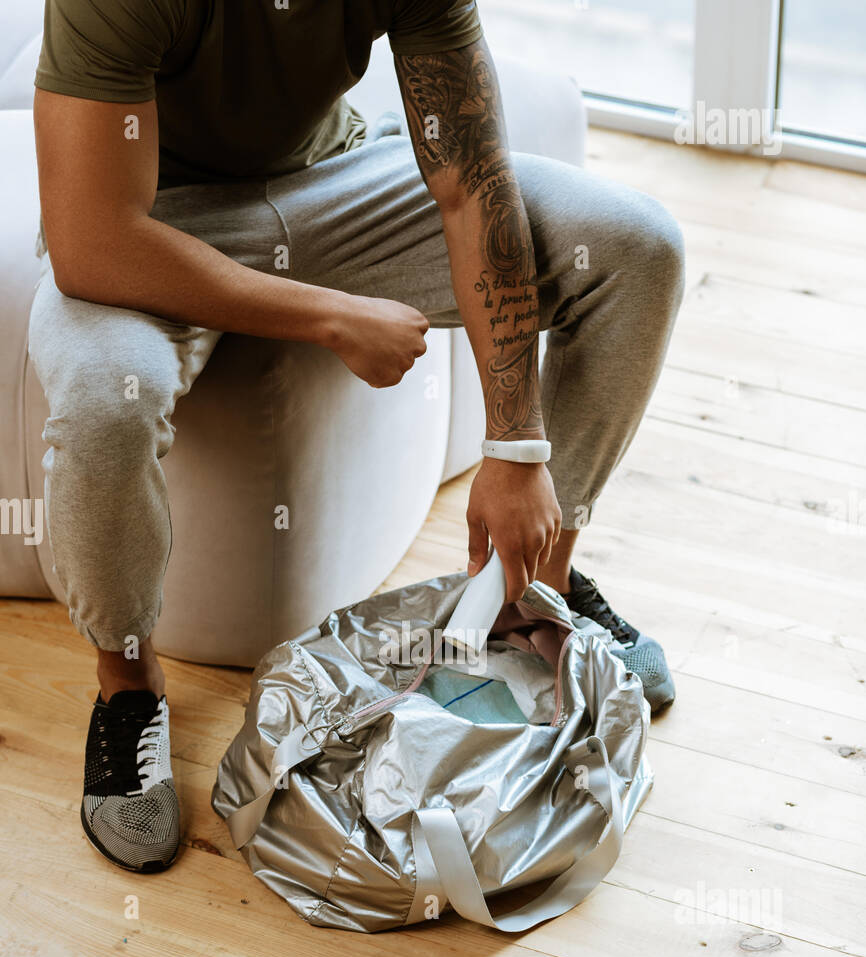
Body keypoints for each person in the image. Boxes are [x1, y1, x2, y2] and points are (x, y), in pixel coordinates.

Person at [29, 0, 685, 873]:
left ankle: (536, 591)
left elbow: (471, 180)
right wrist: (329, 316)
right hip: (158, 220)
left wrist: (517, 446)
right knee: (107, 400)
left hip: (334, 184)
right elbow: (91, 241)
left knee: (639, 247)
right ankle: (127, 688)